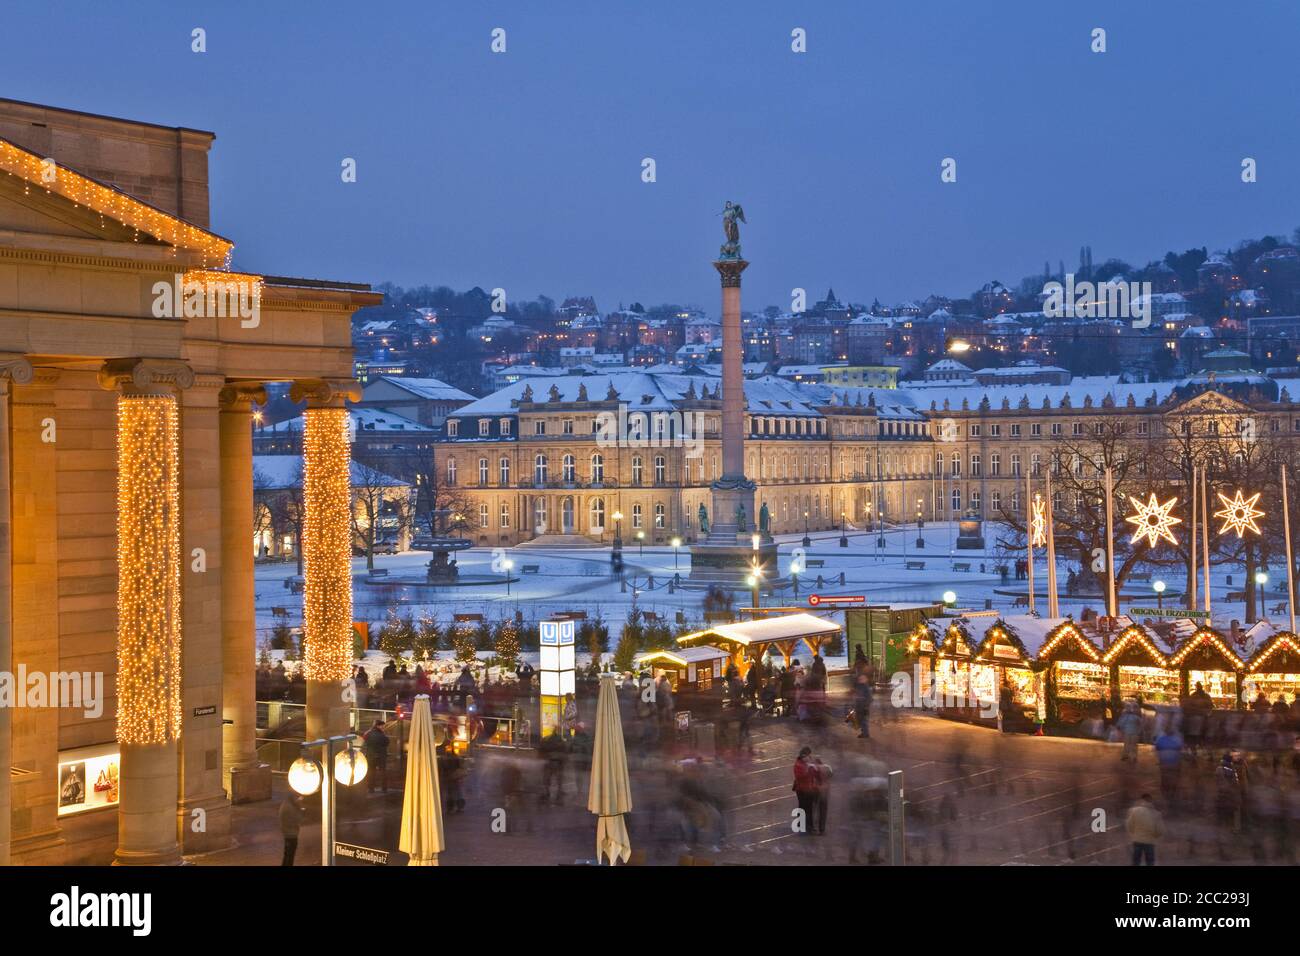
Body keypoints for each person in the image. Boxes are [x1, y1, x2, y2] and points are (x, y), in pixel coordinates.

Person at [1126, 793, 1164, 865]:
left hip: (1137, 840)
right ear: (1151, 801)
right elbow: (1160, 830)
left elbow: (1129, 825)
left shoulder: (1134, 811)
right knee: (1150, 862)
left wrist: (1134, 834)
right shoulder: (1156, 813)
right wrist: (1154, 836)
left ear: (1141, 800)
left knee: (1136, 862)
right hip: (1150, 842)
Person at [792, 747, 818, 835]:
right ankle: (807, 825)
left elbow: (815, 773)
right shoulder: (798, 765)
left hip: (809, 789)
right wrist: (808, 769)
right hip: (802, 789)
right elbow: (800, 777)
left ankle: (804, 824)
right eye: (808, 756)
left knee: (808, 807)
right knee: (804, 807)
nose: (809, 757)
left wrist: (815, 767)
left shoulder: (809, 762)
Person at [363, 718, 389, 792]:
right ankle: (384, 788)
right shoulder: (381, 735)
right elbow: (387, 742)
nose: (383, 727)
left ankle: (371, 788)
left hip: (370, 755)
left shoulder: (368, 733)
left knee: (371, 772)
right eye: (382, 726)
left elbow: (365, 740)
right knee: (383, 772)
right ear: (378, 726)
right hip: (381, 756)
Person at [279, 792, 304, 866]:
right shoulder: (290, 808)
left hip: (287, 833)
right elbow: (298, 819)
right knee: (290, 855)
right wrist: (301, 808)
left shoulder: (285, 805)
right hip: (291, 834)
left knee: (287, 855)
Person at [811, 755, 833, 835]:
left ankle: (813, 828)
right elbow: (831, 776)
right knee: (823, 810)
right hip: (825, 791)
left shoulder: (812, 767)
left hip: (815, 790)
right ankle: (822, 829)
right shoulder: (827, 767)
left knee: (813, 809)